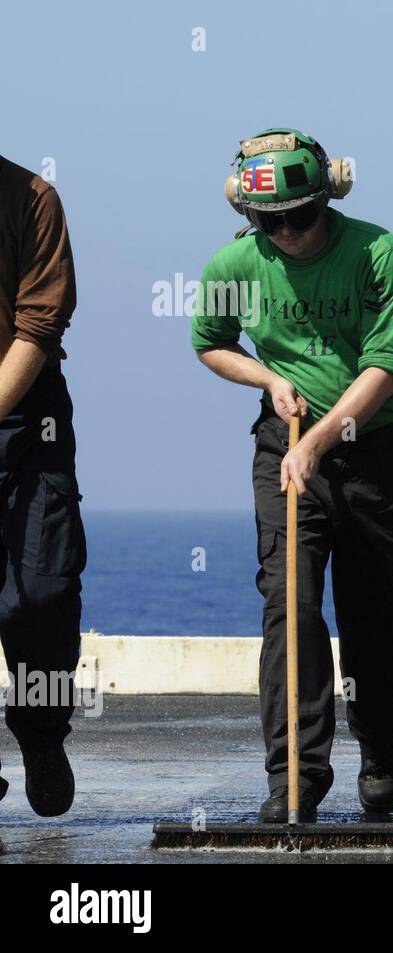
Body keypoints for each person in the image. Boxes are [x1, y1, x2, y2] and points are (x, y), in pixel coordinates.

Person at [191, 129, 393, 821]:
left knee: (379, 616)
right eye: (271, 222)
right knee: (289, 607)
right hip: (285, 453)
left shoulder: (378, 252)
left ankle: (380, 746)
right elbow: (211, 342)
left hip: (373, 452)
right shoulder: (234, 263)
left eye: (300, 216)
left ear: (327, 200)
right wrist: (267, 377)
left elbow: (385, 366)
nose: (287, 234)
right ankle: (295, 772)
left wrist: (321, 438)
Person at [0, 155, 86, 817]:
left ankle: (41, 734)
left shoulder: (33, 198)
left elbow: (38, 325)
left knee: (45, 593)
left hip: (31, 419)